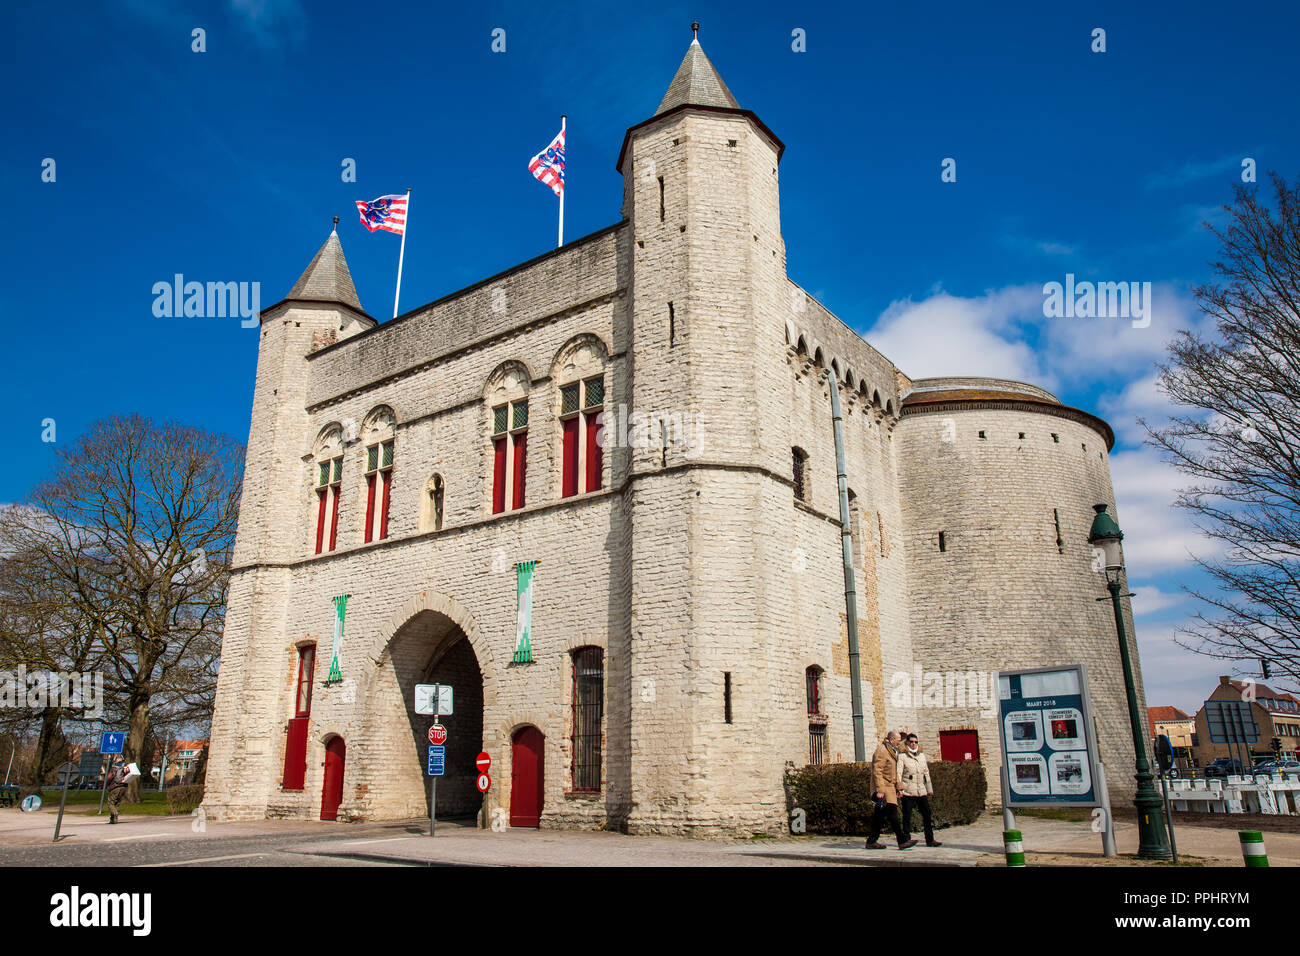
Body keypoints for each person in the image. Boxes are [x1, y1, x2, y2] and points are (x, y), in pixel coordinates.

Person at [866, 730, 917, 850]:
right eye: (898, 741)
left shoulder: (893, 751)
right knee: (893, 814)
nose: (899, 743)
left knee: (879, 816)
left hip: (890, 787)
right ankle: (902, 840)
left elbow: (893, 772)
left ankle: (871, 841)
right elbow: (877, 771)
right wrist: (879, 790)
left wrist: (899, 787)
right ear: (892, 740)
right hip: (884, 787)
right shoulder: (882, 751)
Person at [896, 732, 942, 847]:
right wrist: (899, 789)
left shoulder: (921, 756)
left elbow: (926, 773)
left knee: (927, 814)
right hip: (908, 790)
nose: (913, 744)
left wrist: (929, 789)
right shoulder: (902, 757)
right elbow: (898, 773)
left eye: (915, 742)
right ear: (907, 742)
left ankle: (930, 839)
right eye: (911, 742)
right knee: (907, 816)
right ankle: (906, 839)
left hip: (921, 790)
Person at [105, 759, 128, 824]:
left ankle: (115, 814)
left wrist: (106, 784)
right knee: (116, 803)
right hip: (123, 787)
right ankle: (113, 819)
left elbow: (109, 778)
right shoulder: (125, 768)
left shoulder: (115, 768)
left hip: (115, 786)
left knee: (110, 802)